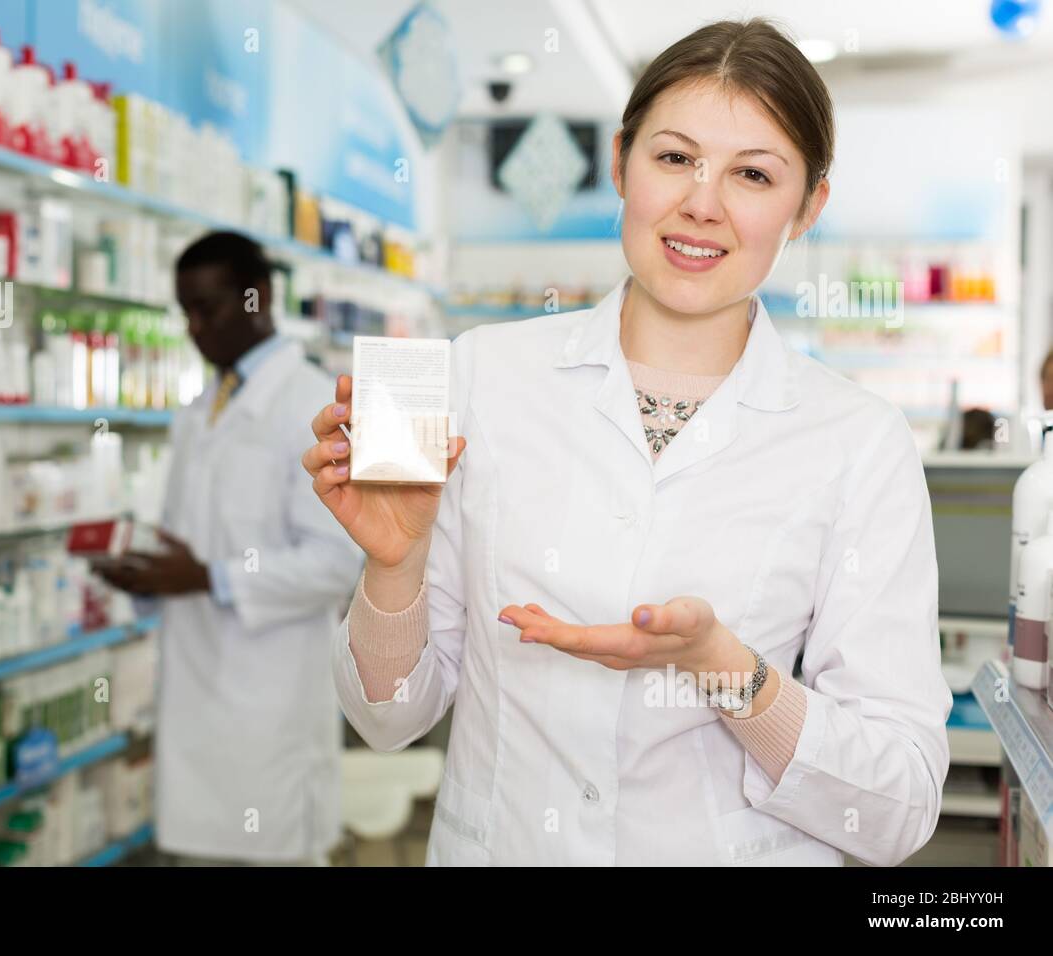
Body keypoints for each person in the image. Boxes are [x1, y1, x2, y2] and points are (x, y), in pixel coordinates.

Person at [303, 19, 952, 866]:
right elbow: (387, 720)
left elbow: (899, 806)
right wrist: (391, 569)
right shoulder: (476, 376)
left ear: (807, 208)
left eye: (753, 174)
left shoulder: (860, 443)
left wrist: (729, 672)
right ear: (620, 163)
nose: (702, 204)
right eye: (674, 158)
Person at [99, 231, 362, 865]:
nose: (195, 327)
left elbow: (334, 563)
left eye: (209, 308)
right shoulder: (200, 409)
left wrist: (206, 577)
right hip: (196, 694)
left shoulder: (310, 402)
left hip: (269, 703)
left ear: (258, 297)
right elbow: (195, 540)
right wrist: (148, 569)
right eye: (185, 310)